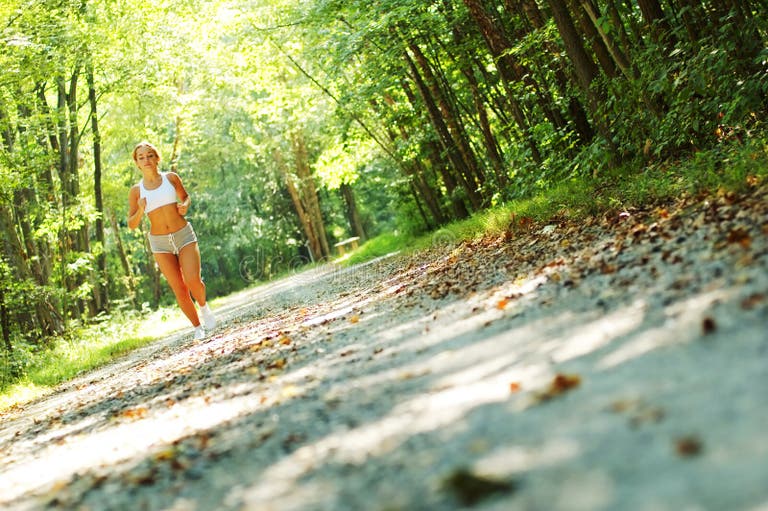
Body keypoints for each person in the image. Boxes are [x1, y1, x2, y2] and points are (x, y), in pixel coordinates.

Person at [127, 141, 216, 340]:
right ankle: (197, 328)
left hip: (183, 234)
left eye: (150, 155)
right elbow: (131, 223)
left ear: (157, 158)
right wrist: (141, 209)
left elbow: (185, 197)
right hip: (160, 243)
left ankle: (203, 306)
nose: (146, 160)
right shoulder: (136, 191)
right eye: (141, 157)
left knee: (193, 280)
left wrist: (184, 205)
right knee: (179, 287)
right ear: (137, 163)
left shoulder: (171, 178)